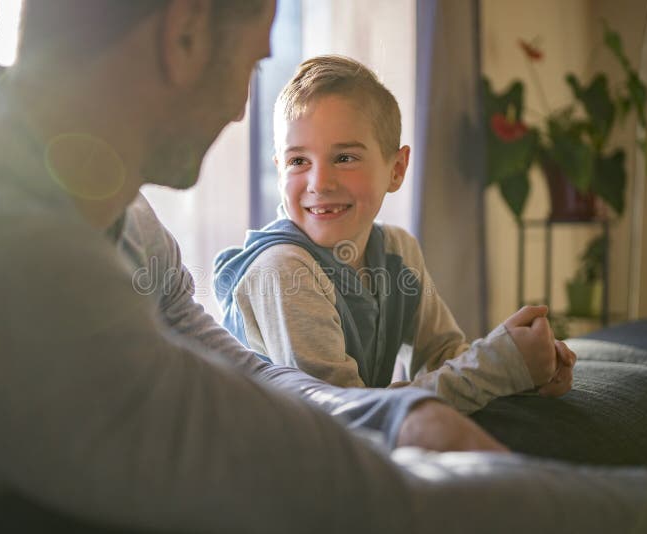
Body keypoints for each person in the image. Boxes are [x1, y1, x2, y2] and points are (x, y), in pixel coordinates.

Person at [0, 1, 647, 532]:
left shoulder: (119, 213)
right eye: (255, 58)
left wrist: (400, 416)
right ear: (185, 34)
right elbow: (358, 498)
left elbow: (236, 367)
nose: (241, 107)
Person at [214, 55, 575, 414]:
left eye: (344, 158)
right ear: (279, 171)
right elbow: (344, 415)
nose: (319, 183)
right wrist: (494, 370)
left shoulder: (398, 251)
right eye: (298, 161)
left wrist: (523, 369)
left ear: (397, 169)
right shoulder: (282, 270)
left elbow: (443, 357)